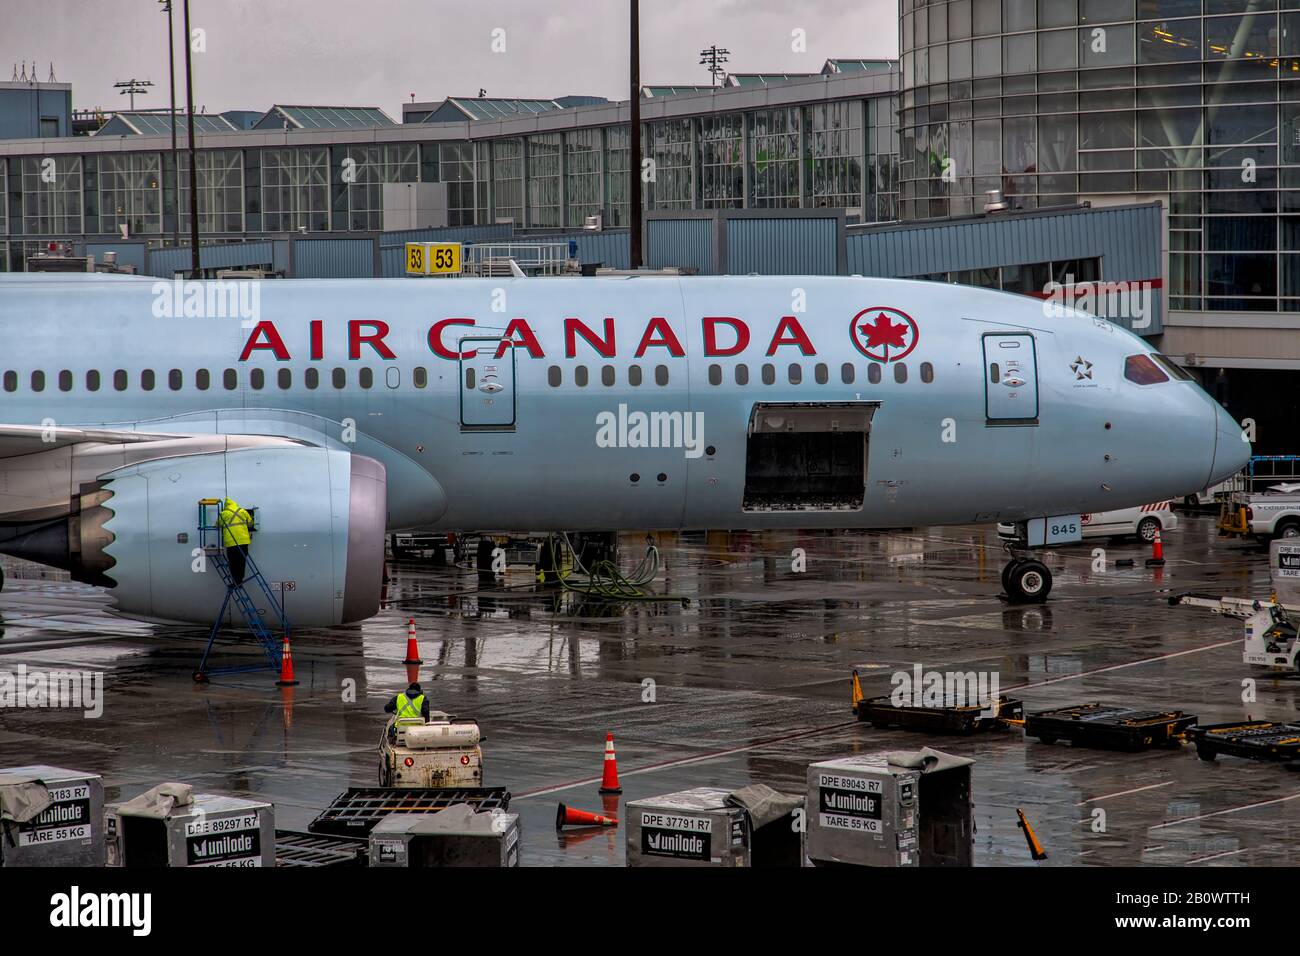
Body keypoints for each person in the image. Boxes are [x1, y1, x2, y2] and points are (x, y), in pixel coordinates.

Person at [218, 498, 253, 586]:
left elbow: (217, 524)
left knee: (233, 562)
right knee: (241, 561)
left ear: (226, 506)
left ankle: (235, 581)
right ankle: (239, 580)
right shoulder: (242, 511)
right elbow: (250, 523)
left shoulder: (224, 513)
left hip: (231, 543)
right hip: (243, 541)